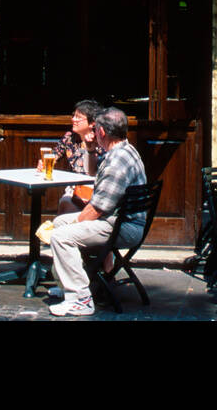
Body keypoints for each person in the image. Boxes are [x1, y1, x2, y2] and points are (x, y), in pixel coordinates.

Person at [47, 107, 147, 316]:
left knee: (60, 236)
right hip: (121, 221)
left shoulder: (116, 161)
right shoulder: (126, 150)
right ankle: (69, 284)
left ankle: (81, 298)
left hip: (124, 227)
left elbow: (98, 209)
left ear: (101, 132)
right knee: (60, 223)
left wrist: (76, 224)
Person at [41, 100, 102, 215]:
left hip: (95, 191)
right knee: (66, 202)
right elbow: (54, 155)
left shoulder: (100, 141)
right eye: (73, 115)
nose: (73, 119)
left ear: (92, 123)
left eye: (78, 117)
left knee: (66, 206)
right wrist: (45, 163)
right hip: (74, 190)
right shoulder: (70, 138)